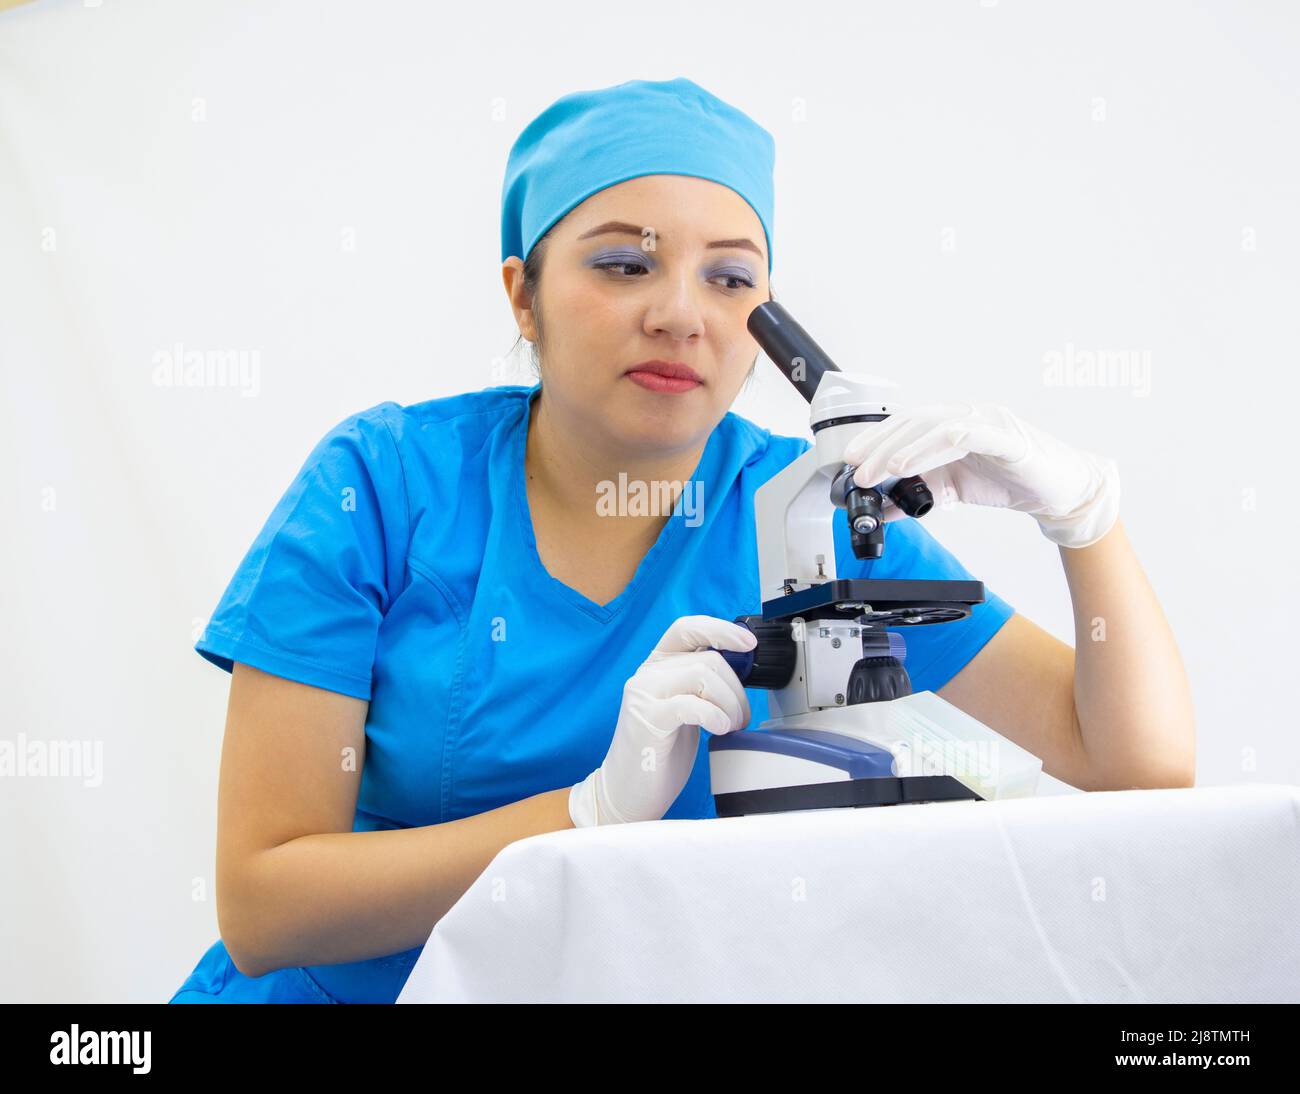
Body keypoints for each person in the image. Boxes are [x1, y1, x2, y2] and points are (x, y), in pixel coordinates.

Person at [169, 77, 1195, 1004]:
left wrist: (1086, 520)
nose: (678, 314)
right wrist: (582, 815)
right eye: (623, 264)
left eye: (729, 278)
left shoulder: (811, 513)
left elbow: (1135, 767)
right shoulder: (384, 485)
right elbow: (264, 907)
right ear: (520, 293)